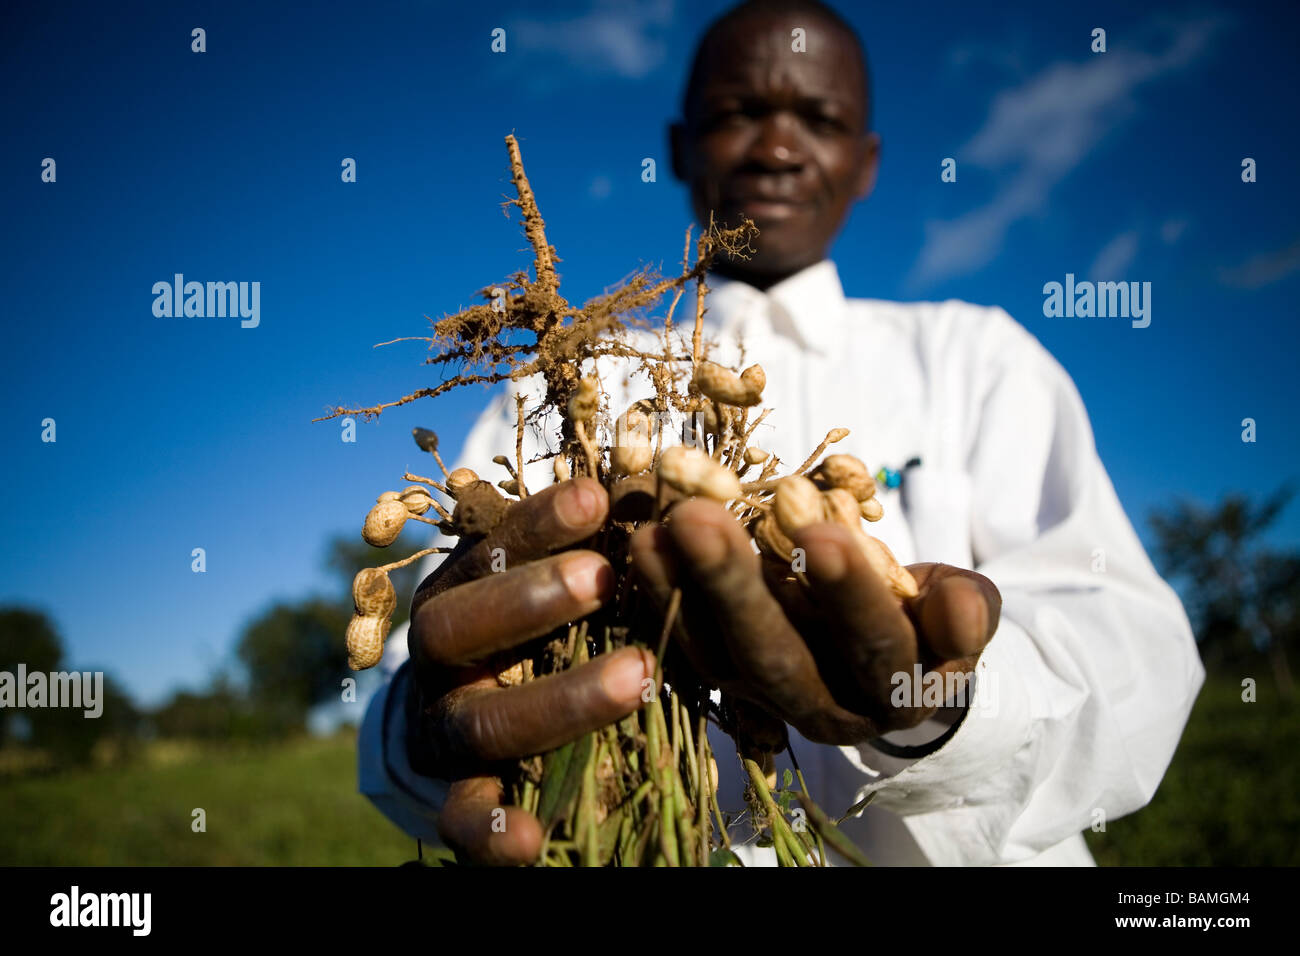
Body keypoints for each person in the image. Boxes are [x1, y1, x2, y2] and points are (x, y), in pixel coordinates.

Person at [358, 0, 1204, 866]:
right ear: (682, 149)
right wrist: (428, 721)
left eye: (819, 119)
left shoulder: (975, 356)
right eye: (739, 114)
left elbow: (1139, 660)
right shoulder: (566, 382)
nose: (777, 145)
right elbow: (422, 663)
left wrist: (943, 705)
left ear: (866, 161)